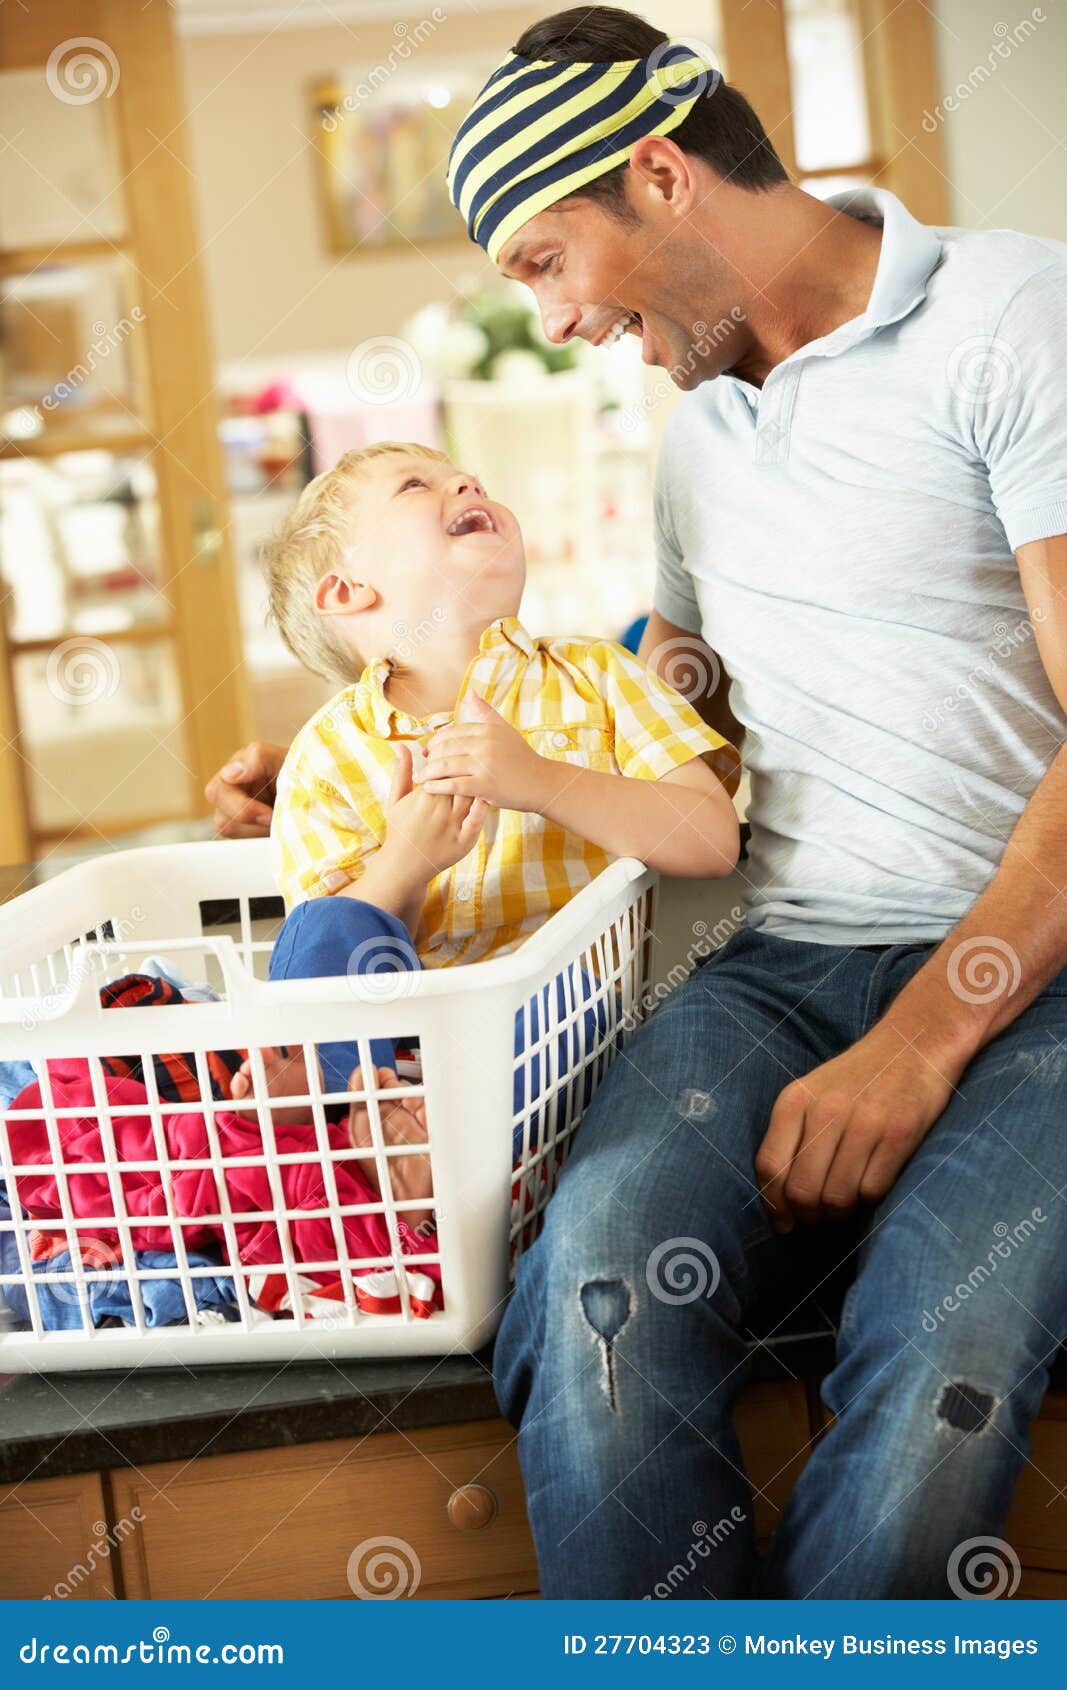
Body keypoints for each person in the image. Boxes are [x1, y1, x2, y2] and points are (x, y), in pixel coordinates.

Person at [209, 6, 1067, 1598]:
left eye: (542, 260)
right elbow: (685, 693)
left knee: (947, 1325)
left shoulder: (1017, 316)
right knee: (596, 1273)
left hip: (1032, 976)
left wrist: (931, 1028)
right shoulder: (698, 431)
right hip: (779, 967)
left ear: (656, 175)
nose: (543, 320)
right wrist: (356, 745)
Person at [227, 438, 739, 1153]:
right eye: (415, 485)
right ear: (348, 591)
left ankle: (418, 1148)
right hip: (396, 1049)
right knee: (322, 926)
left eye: (468, 477)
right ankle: (344, 1117)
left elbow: (711, 840)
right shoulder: (326, 755)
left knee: (564, 1002)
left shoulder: (599, 677)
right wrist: (405, 861)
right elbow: (329, 957)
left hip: (566, 1027)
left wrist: (541, 781)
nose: (465, 481)